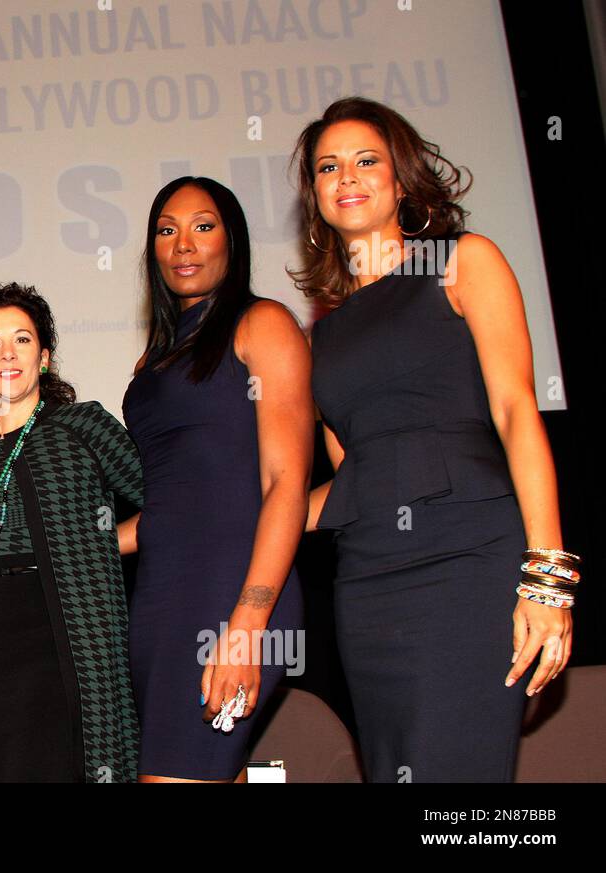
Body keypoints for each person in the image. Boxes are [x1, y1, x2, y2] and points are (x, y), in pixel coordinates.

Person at [294, 97, 577, 781]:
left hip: (469, 558)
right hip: (366, 583)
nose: (347, 176)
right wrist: (240, 525)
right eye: (328, 167)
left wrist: (549, 581)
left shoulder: (461, 263)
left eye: (366, 160)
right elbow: (354, 477)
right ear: (317, 197)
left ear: (400, 178)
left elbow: (515, 412)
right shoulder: (322, 334)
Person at [123, 178, 311, 782]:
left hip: (235, 593)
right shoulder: (150, 362)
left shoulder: (262, 324)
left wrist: (247, 628)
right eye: (166, 229)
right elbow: (174, 504)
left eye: (203, 226)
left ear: (233, 239)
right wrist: (79, 541)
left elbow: (286, 483)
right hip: (158, 601)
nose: (184, 244)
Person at [0, 282, 144, 782]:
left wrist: (98, 544)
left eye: (23, 339)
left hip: (67, 632)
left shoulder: (83, 427)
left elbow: (169, 503)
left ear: (45, 357)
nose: (7, 353)